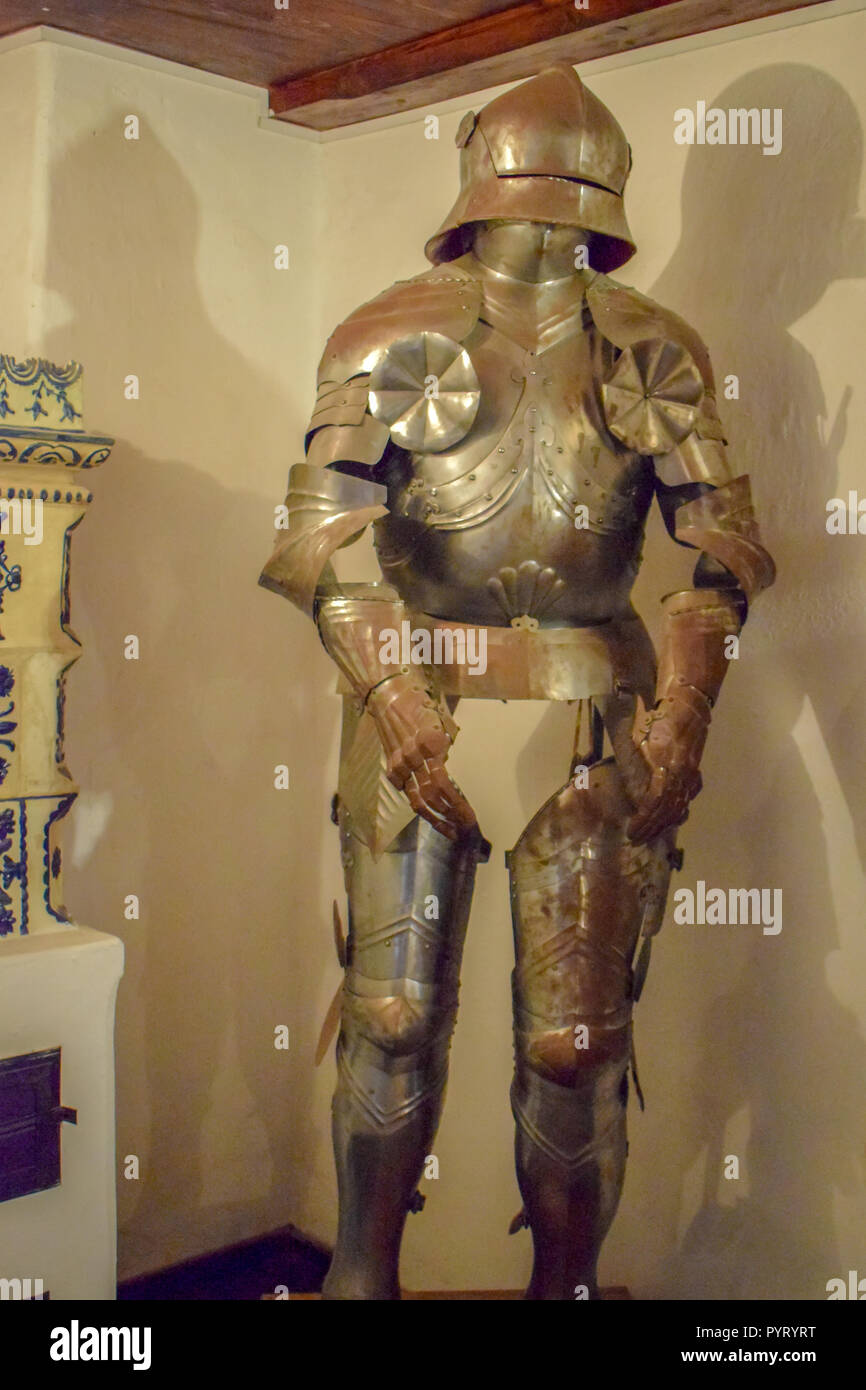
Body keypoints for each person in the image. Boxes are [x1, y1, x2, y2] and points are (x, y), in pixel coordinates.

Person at [260, 63, 774, 1300]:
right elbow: (315, 543)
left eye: (565, 204)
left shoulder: (655, 346)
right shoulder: (389, 333)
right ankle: (359, 1278)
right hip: (415, 706)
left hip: (597, 719)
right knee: (389, 1019)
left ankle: (565, 1291)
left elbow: (721, 550)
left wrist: (687, 709)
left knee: (577, 1040)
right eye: (537, 199)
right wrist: (387, 690)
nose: (549, 226)